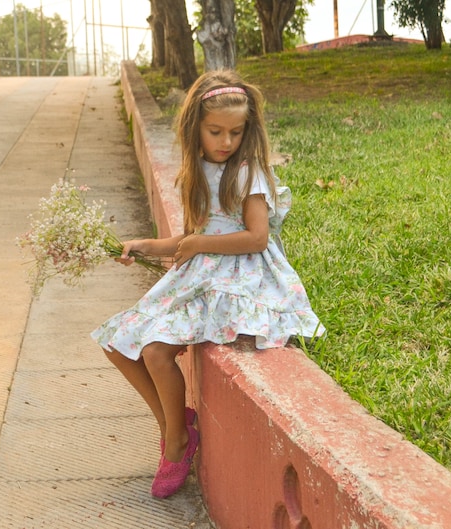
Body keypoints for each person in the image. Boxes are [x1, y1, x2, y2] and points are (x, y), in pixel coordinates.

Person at [91, 69, 324, 499]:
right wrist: (143, 245)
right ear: (194, 126)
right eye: (216, 131)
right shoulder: (194, 173)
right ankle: (173, 426)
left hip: (238, 275)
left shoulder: (247, 172)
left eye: (236, 132)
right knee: (115, 343)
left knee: (156, 351)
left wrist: (200, 243)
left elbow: (257, 237)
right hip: (197, 273)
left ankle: (176, 442)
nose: (226, 142)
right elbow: (188, 236)